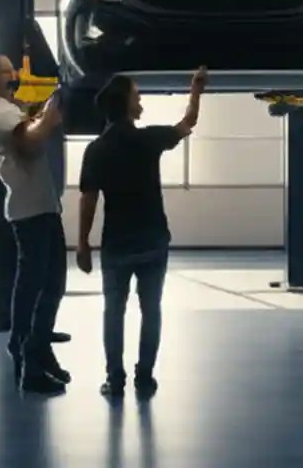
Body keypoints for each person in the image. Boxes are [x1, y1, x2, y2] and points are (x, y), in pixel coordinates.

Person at [76, 68, 208, 398]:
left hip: (116, 243)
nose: (141, 100)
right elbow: (187, 123)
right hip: (152, 240)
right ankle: (145, 376)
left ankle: (115, 379)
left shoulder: (96, 150)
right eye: (137, 95)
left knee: (113, 312)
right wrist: (196, 88)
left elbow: (88, 199)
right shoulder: (148, 139)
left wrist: (82, 242)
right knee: (152, 309)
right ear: (125, 104)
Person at [0, 52, 72, 395]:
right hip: (29, 210)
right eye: (5, 71)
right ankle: (27, 356)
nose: (13, 74)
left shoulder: (7, 106)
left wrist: (45, 108)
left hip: (43, 205)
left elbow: (29, 124)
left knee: (53, 282)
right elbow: (29, 142)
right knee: (34, 286)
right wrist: (52, 111)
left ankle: (38, 347)